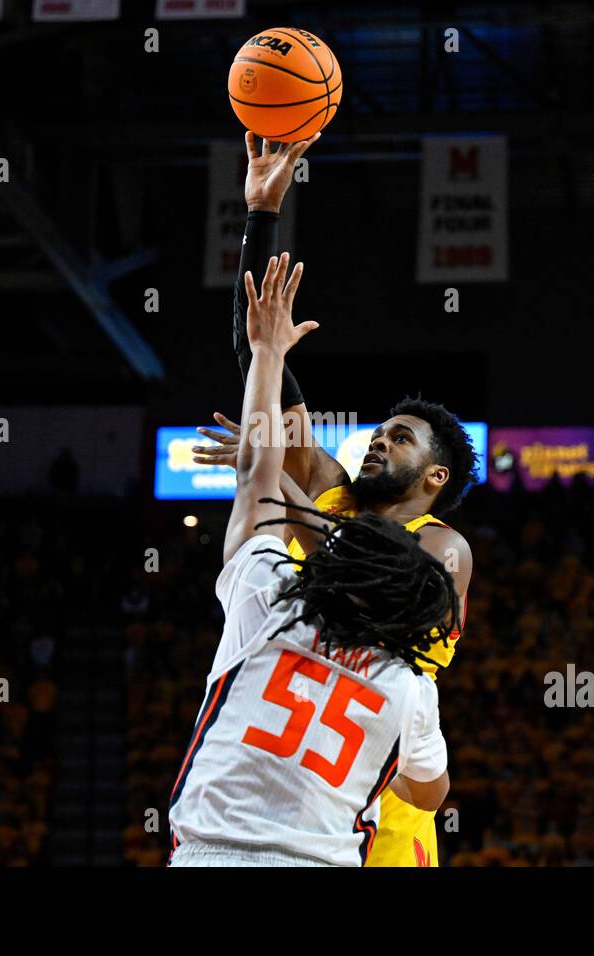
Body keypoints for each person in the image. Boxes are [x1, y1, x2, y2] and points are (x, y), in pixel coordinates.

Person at [191, 131, 476, 867]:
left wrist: (268, 475)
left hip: (382, 817)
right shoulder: (334, 494)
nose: (377, 443)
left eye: (400, 440)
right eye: (377, 432)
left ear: (435, 478)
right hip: (293, 782)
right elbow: (262, 355)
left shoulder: (443, 545)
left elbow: (368, 573)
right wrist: (262, 213)